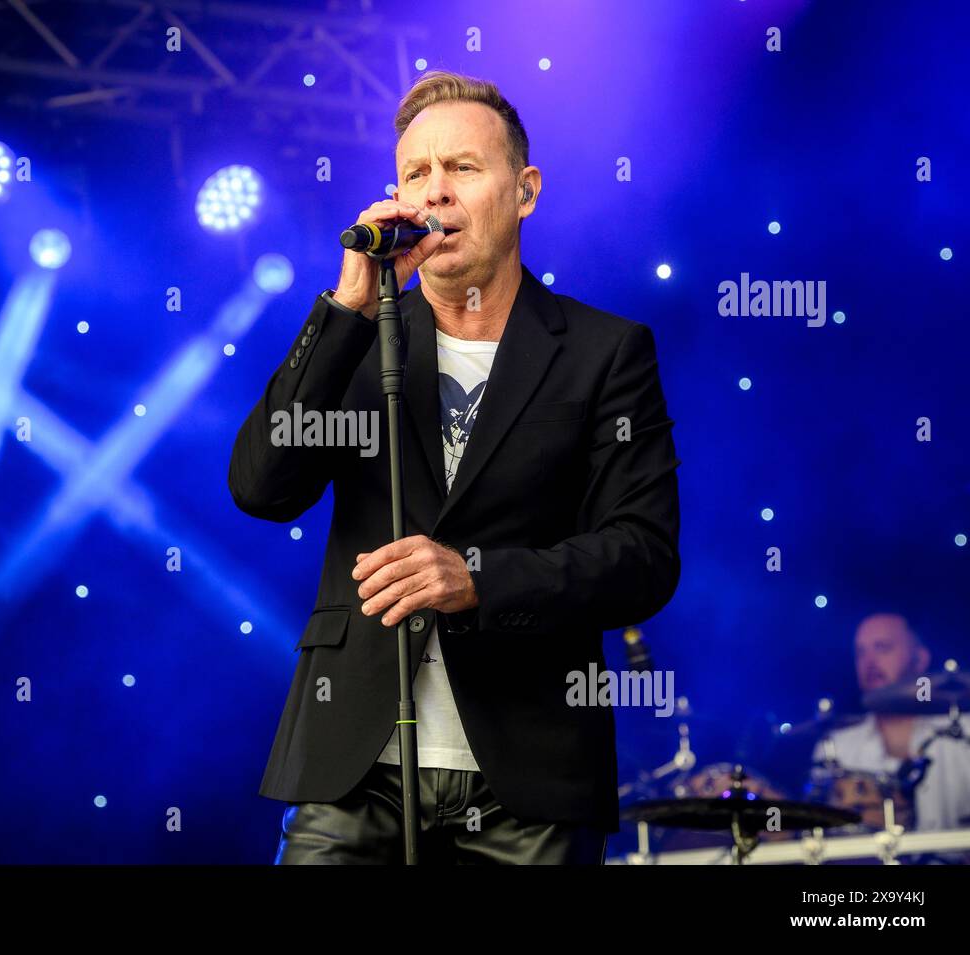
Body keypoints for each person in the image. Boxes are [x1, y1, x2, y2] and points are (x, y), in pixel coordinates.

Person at [229, 70, 682, 864]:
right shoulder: (359, 340)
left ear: (525, 189)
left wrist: (477, 577)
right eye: (416, 174)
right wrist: (344, 312)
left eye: (463, 168)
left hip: (530, 783)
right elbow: (262, 488)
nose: (435, 192)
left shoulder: (606, 352)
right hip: (352, 772)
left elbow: (643, 558)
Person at [813, 613, 970, 832]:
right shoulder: (835, 747)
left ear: (919, 660)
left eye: (882, 648)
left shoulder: (967, 734)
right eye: (860, 653)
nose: (869, 662)